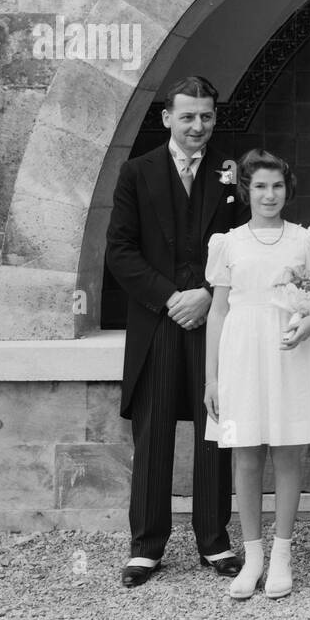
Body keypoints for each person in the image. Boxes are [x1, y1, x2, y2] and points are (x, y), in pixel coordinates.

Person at [106, 75, 244, 588]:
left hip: (215, 319)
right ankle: (145, 547)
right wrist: (170, 297)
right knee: (155, 433)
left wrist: (210, 294)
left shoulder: (232, 176)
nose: (197, 126)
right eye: (187, 116)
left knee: (216, 431)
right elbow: (120, 249)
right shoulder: (136, 173)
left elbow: (243, 243)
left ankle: (215, 541)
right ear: (167, 118)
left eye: (206, 116)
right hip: (159, 322)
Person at [203, 150, 310, 599]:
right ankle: (252, 555)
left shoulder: (304, 239)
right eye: (259, 186)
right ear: (246, 189)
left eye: (276, 185)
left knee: (287, 453)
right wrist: (212, 378)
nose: (269, 194)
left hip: (288, 351)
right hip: (241, 352)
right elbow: (218, 312)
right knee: (245, 455)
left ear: (287, 188)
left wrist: (306, 328)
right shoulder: (229, 242)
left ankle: (282, 554)